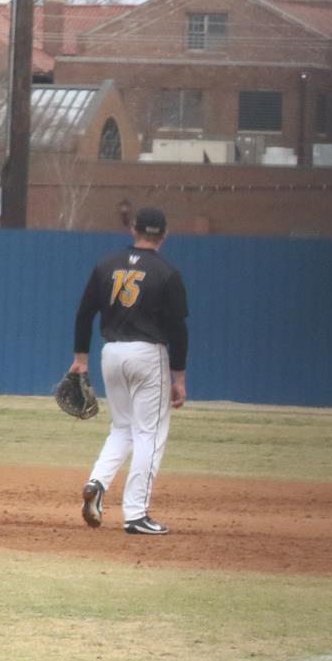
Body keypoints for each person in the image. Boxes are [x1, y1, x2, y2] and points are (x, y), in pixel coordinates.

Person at [74, 206, 189, 536]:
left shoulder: (106, 265)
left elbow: (84, 314)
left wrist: (81, 359)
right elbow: (178, 330)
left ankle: (97, 482)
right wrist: (178, 377)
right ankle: (136, 514)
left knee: (122, 428)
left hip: (111, 353)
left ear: (133, 230)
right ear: (164, 235)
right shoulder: (168, 273)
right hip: (148, 353)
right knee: (148, 434)